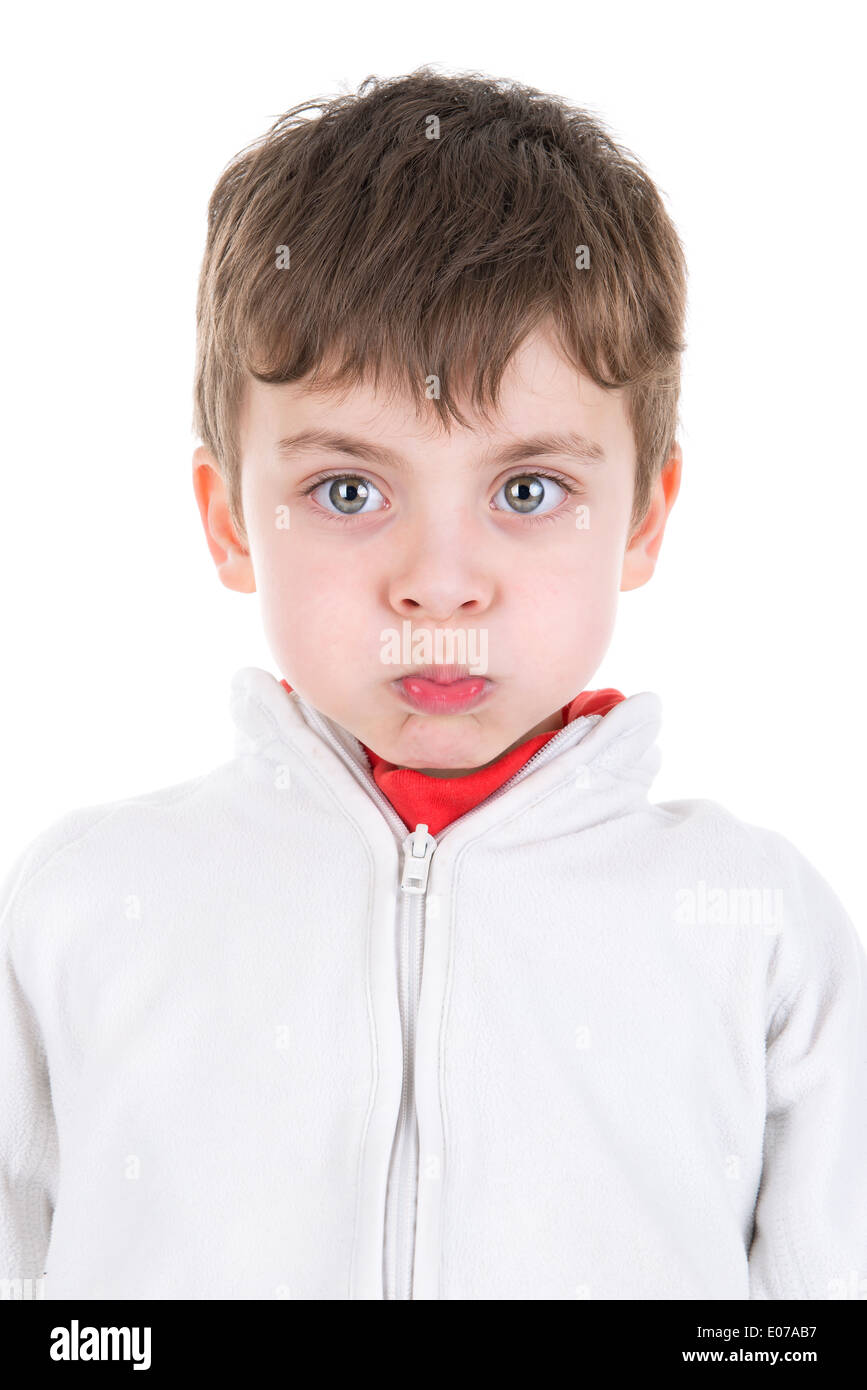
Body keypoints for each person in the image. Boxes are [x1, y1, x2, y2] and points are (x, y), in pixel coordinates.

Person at [2, 67, 865, 1301]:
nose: (440, 585)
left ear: (643, 517)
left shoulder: (757, 932)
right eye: (348, 491)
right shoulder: (83, 909)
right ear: (232, 520)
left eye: (527, 492)